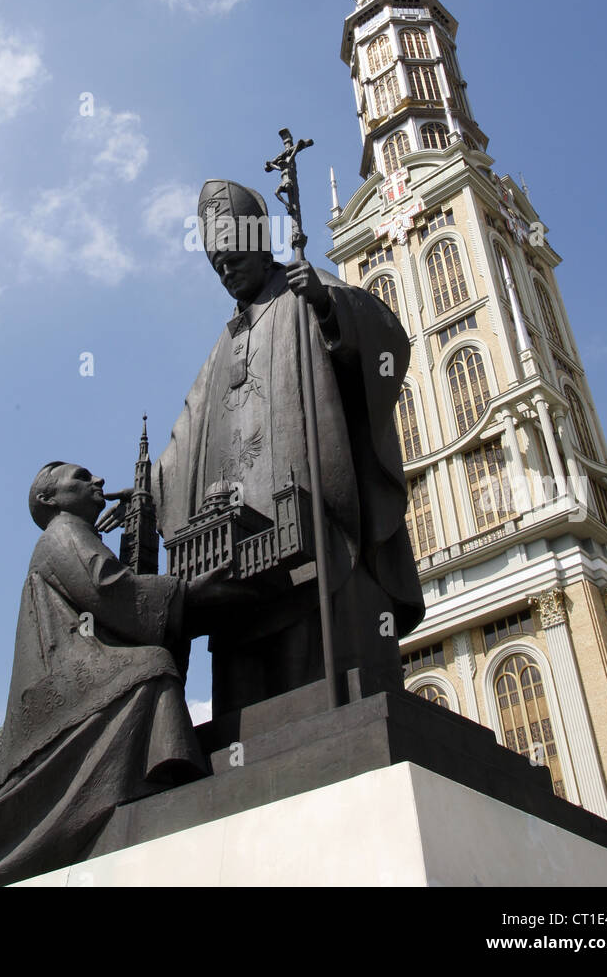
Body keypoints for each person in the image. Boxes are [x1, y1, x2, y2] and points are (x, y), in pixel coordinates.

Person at [0, 461, 239, 887]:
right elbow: (108, 591)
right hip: (67, 674)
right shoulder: (62, 533)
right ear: (48, 499)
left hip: (80, 662)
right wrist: (187, 592)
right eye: (82, 477)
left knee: (150, 662)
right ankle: (165, 772)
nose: (99, 482)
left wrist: (148, 507)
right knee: (151, 666)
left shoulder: (77, 533)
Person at [149, 179, 424, 718]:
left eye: (233, 258)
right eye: (216, 266)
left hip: (317, 535)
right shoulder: (220, 348)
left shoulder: (304, 291)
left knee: (329, 660)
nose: (226, 271)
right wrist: (147, 493)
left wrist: (327, 307)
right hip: (242, 562)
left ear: (259, 242)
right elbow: (181, 442)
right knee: (246, 695)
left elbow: (388, 341)